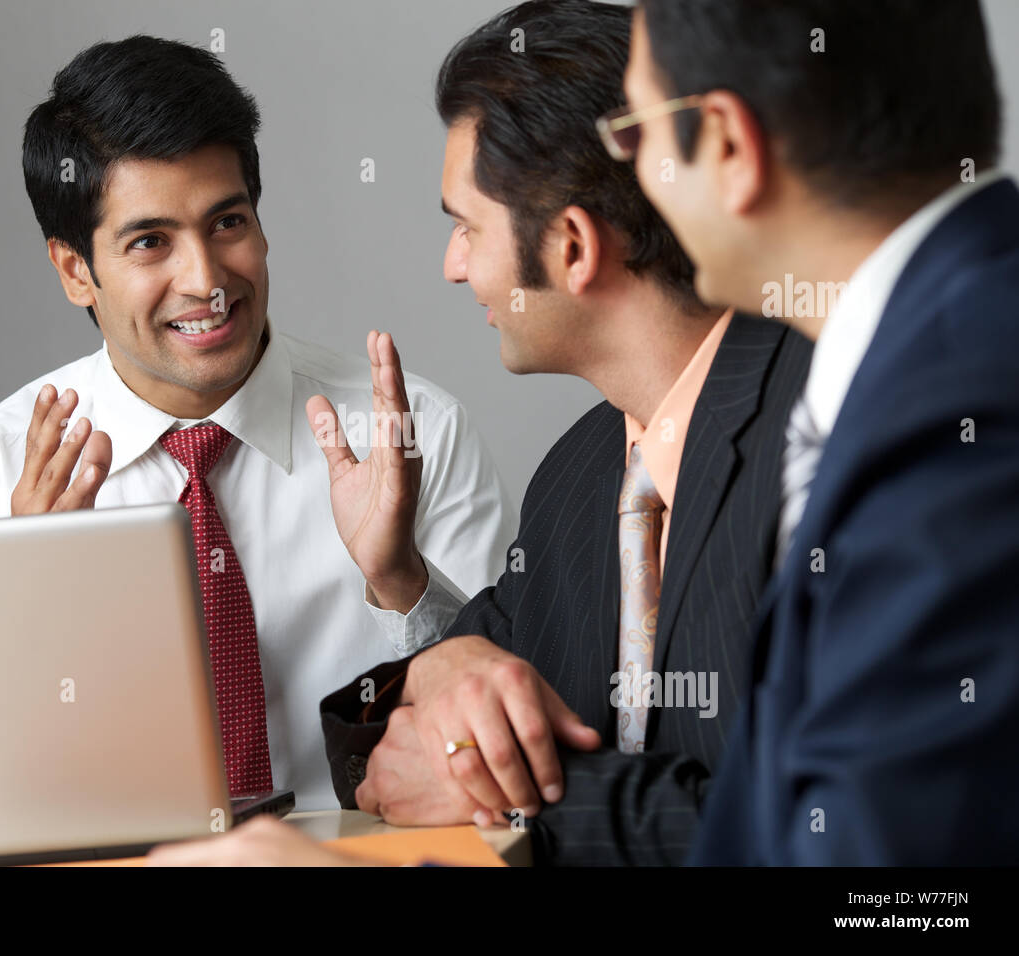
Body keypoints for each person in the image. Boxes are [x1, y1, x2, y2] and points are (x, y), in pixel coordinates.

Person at [150, 0, 812, 866]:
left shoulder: (833, 437)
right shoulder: (580, 477)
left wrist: (523, 802)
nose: (453, 264)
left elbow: (843, 843)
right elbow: (395, 750)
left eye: (466, 227)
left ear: (572, 249)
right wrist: (427, 642)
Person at [0, 35, 515, 810]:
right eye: (150, 242)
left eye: (227, 222)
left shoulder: (413, 434)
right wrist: (31, 613)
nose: (206, 281)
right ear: (74, 271)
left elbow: (504, 755)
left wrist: (401, 581)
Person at [622, 0, 1019, 863]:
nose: (635, 170)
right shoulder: (942, 343)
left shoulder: (962, 412)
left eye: (635, 132)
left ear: (726, 145)